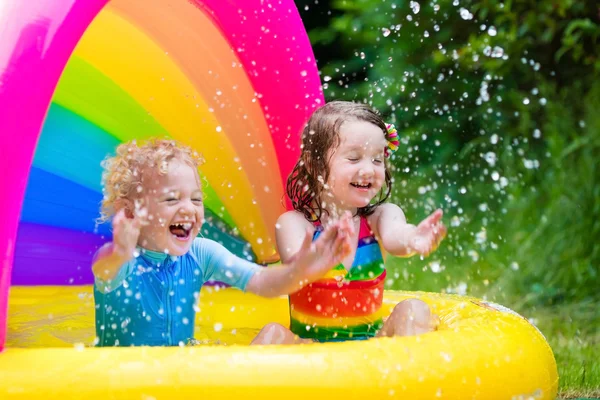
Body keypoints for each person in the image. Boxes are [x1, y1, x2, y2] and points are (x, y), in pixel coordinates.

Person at [92, 138, 353, 347]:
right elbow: (104, 268)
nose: (189, 209)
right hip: (124, 380)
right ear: (130, 212)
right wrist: (121, 252)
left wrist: (301, 272)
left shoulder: (200, 253)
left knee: (270, 340)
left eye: (195, 200)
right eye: (171, 199)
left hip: (180, 372)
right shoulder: (120, 259)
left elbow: (262, 281)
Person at [252, 101, 446, 344]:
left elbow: (397, 237)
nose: (369, 170)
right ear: (315, 165)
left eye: (377, 160)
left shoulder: (380, 217)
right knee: (273, 334)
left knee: (414, 309)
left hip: (371, 347)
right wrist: (317, 257)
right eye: (354, 158)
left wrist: (413, 238)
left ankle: (414, 378)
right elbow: (294, 268)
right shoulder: (294, 224)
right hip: (308, 351)